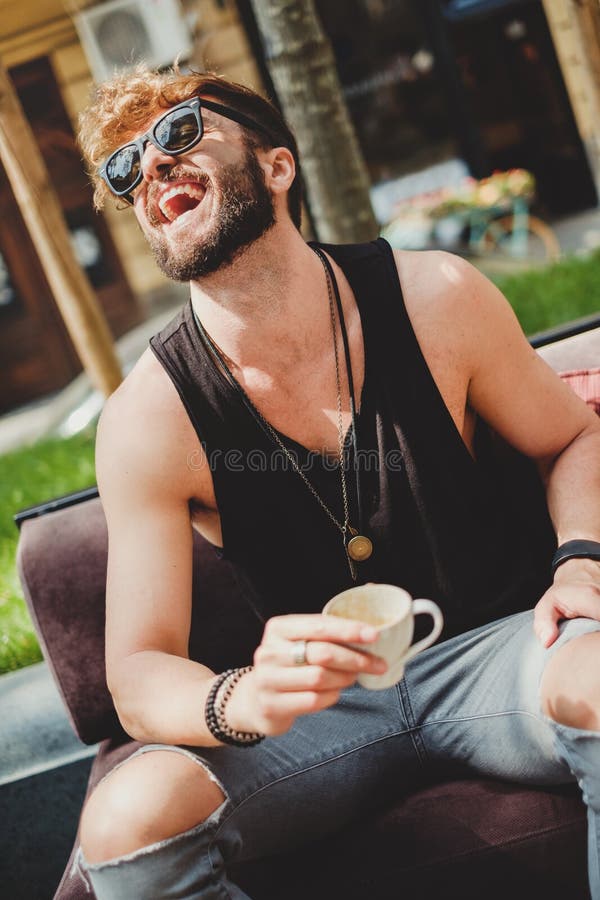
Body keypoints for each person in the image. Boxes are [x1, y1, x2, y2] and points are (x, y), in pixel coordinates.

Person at [76, 66, 600, 899]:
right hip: (318, 717)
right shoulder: (146, 420)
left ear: (277, 165)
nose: (151, 169)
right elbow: (136, 669)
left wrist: (580, 566)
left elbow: (573, 433)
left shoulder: (436, 297)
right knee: (122, 819)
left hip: (499, 652)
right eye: (124, 167)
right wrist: (237, 699)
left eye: (178, 133)